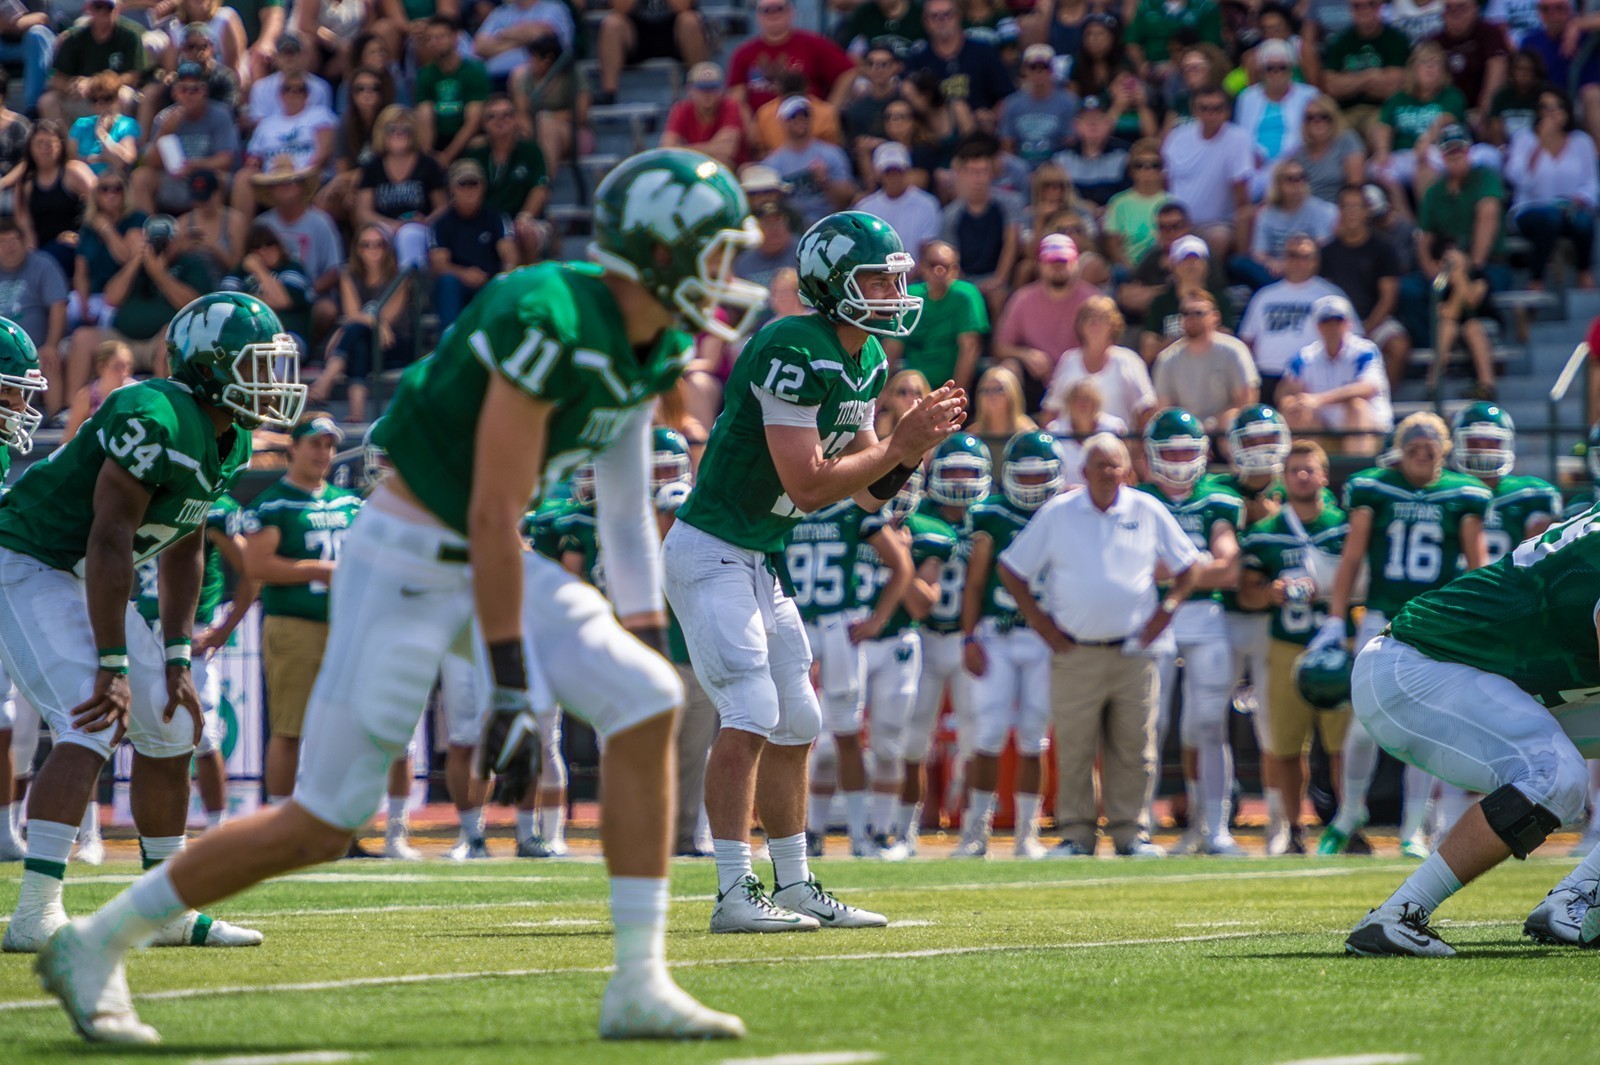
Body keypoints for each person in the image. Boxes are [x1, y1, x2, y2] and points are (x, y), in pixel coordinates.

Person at [37, 150, 766, 1044]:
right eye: (714, 251)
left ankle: (640, 983)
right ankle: (96, 939)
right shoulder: (545, 311)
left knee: (647, 696)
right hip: (407, 557)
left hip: (482, 554)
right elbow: (492, 508)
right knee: (320, 823)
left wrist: (646, 641)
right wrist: (509, 683)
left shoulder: (652, 344)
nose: (726, 273)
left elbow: (623, 508)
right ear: (658, 250)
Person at [663, 210, 961, 933]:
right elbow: (808, 484)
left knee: (799, 717)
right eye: (876, 280)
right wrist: (897, 444)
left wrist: (908, 451)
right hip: (712, 546)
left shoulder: (866, 358)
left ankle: (793, 883)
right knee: (751, 708)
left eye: (894, 280)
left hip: (759, 553)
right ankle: (733, 890)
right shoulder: (792, 344)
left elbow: (867, 489)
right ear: (833, 283)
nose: (893, 293)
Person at [0, 294, 298, 965]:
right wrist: (112, 663)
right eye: (255, 365)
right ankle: (35, 913)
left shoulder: (230, 437)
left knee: (172, 724)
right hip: (28, 557)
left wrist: (177, 655)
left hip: (79, 569)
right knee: (91, 716)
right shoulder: (152, 411)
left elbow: (185, 544)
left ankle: (165, 909)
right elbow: (110, 537)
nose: (271, 382)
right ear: (209, 367)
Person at [1337, 502, 1600, 954]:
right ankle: (1398, 915)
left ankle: (1575, 898)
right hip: (1415, 669)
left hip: (1478, 674)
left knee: (1559, 778)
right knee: (1556, 778)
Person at [1000, 432, 1198, 856]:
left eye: (1114, 465)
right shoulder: (1059, 512)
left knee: (1135, 749)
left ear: (1126, 470)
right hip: (1076, 650)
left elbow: (1189, 565)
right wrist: (1041, 623)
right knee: (1074, 748)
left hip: (1134, 652)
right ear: (1084, 471)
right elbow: (1012, 568)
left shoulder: (1146, 508)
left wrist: (1167, 610)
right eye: (1100, 465)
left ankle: (1131, 834)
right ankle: (1076, 835)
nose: (1108, 473)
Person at [1314, 411, 1490, 858]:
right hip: (1381, 617)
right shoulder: (1374, 487)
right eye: (1412, 448)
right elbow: (1352, 557)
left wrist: (1480, 625)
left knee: (1425, 727)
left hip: (1433, 621)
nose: (1421, 455)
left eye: (1429, 448)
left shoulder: (1464, 493)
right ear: (1399, 449)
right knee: (1362, 727)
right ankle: (1349, 812)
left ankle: (1413, 828)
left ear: (1444, 450)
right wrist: (1335, 617)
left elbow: (1479, 567)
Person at [1137, 408, 1247, 855]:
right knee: (1149, 723)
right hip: (1154, 619)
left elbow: (1230, 569)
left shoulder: (1217, 498)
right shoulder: (1140, 499)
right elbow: (1136, 568)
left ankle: (1213, 827)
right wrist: (1199, 566)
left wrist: (1173, 570)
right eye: (1172, 451)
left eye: (1188, 450)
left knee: (1207, 724)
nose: (1181, 460)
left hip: (1204, 618)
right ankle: (1139, 824)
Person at [1236, 438, 1351, 855]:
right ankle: (1293, 828)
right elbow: (1245, 592)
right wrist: (1270, 593)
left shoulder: (1345, 526)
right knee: (1286, 746)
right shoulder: (1265, 533)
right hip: (1286, 644)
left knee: (1344, 746)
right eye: (1294, 470)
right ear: (1283, 478)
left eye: (1310, 469)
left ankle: (1346, 824)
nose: (1302, 476)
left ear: (1324, 476)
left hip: (1337, 644)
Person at [952, 428, 1060, 858]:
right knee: (989, 733)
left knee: (1035, 738)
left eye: (1040, 476)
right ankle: (974, 832)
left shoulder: (1066, 512)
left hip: (1043, 638)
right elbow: (975, 584)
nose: (1032, 485)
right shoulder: (991, 514)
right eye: (1024, 475)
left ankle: (1026, 835)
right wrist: (969, 637)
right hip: (997, 634)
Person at [241, 414, 360, 803]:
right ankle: (280, 816)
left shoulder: (350, 503)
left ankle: (335, 818)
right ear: (293, 447)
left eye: (329, 445)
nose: (323, 452)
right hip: (295, 625)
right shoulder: (272, 502)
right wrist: (319, 570)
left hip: (346, 628)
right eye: (315, 444)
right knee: (290, 728)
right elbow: (257, 566)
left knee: (344, 730)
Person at [898, 432, 986, 854]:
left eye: (969, 471)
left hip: (971, 640)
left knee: (975, 740)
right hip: (926, 636)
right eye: (952, 472)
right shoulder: (918, 517)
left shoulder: (989, 517)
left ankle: (975, 830)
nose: (962, 480)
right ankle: (904, 831)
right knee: (913, 738)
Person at [1237, 235, 1353, 404]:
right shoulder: (1265, 295)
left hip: (1311, 376)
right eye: (1292, 255)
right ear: (1284, 258)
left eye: (1305, 256)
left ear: (1315, 261)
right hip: (1267, 374)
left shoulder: (1331, 295)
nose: (1298, 261)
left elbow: (1351, 335)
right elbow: (1247, 339)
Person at [310, 225, 408, 422]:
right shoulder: (348, 274)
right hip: (366, 341)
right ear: (357, 249)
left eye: (379, 244)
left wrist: (345, 330)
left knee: (356, 332)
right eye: (366, 245)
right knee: (359, 343)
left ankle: (324, 383)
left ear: (387, 248)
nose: (373, 249)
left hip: (393, 344)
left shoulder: (400, 276)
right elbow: (353, 314)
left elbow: (387, 318)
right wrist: (375, 324)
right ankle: (356, 413)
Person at [1502, 88, 1598, 289]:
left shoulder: (1582, 141)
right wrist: (1539, 146)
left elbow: (1591, 183)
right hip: (1529, 208)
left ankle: (1584, 271)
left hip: (1569, 207)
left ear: (1567, 111)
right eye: (1545, 107)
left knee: (1583, 221)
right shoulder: (1524, 139)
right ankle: (1536, 279)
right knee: (1549, 218)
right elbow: (1518, 179)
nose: (1550, 113)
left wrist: (1579, 200)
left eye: (1557, 107)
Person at [1321, 183, 1411, 391]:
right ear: (1339, 211)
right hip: (1337, 322)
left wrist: (1366, 328)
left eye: (1356, 207)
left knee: (1399, 346)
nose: (1351, 213)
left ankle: (1382, 400)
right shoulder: (1327, 252)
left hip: (1375, 320)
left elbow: (1388, 298)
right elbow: (1323, 296)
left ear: (1366, 211)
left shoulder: (1384, 249)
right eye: (1346, 207)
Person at [1277, 295, 1393, 450]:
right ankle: (1303, 462)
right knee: (1295, 409)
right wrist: (1294, 401)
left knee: (1356, 406)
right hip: (1324, 428)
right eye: (1326, 321)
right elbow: (1285, 392)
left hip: (1370, 429)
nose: (1332, 326)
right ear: (1318, 326)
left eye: (1338, 320)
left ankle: (1358, 463)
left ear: (1348, 323)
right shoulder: (1305, 357)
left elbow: (1367, 388)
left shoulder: (1365, 350)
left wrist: (1319, 399)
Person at [993, 234, 1093, 413]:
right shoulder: (1022, 299)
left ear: (1076, 263)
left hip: (1080, 381)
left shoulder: (1093, 300)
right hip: (1036, 380)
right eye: (1051, 262)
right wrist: (1026, 354)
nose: (1057, 267)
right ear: (1040, 264)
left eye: (1063, 261)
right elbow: (1000, 347)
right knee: (1008, 368)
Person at [132, 62, 239, 217]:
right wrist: (165, 131)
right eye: (183, 89)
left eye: (195, 90)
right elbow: (151, 163)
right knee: (140, 177)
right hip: (174, 179)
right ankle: (152, 227)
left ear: (204, 92)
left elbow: (226, 160)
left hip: (207, 175)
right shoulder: (164, 118)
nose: (189, 95)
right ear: (175, 93)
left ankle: (215, 226)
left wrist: (194, 165)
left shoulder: (220, 114)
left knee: (219, 178)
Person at [882, 239, 985, 397]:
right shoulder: (911, 297)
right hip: (913, 389)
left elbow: (970, 347)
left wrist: (957, 393)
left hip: (949, 387)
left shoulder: (965, 296)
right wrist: (881, 393)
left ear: (956, 270)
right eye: (932, 264)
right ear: (922, 266)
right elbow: (892, 346)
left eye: (945, 266)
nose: (938, 270)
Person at [1161, 87, 1256, 257]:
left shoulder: (1238, 138)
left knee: (1219, 237)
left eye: (1217, 108)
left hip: (1216, 223)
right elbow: (1165, 181)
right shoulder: (1177, 137)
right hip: (1176, 223)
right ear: (1194, 110)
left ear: (1227, 111)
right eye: (1204, 108)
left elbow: (1242, 192)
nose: (1210, 114)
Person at [1041, 294, 1154, 430]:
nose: (1094, 322)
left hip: (1115, 440)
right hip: (1070, 442)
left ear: (1114, 324)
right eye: (1088, 317)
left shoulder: (1129, 361)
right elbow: (1052, 410)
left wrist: (1134, 443)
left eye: (1102, 318)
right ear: (1080, 324)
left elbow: (1146, 410)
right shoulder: (1068, 360)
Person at [1152, 292, 1259, 435]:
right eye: (1185, 313)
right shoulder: (1167, 358)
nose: (1191, 318)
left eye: (1198, 313)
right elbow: (1164, 409)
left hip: (1223, 430)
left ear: (1215, 317)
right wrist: (1191, 428)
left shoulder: (1234, 350)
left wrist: (1214, 423)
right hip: (1185, 431)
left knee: (1231, 419)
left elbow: (1246, 401)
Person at [727, 0, 856, 114]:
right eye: (766, 10)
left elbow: (848, 72)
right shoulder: (743, 53)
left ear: (791, 12)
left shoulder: (813, 44)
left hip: (807, 124)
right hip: (761, 126)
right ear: (758, 16)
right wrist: (751, 127)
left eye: (779, 8)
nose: (773, 14)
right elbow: (736, 98)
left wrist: (831, 111)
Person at [357, 105, 447, 271]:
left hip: (420, 229)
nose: (399, 134)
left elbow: (442, 207)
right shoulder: (373, 167)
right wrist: (393, 225)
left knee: (409, 235)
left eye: (405, 130)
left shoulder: (428, 165)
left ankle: (412, 284)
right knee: (375, 239)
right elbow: (363, 212)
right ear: (382, 133)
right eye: (392, 129)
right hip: (385, 226)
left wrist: (426, 221)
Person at [939, 133, 1019, 319]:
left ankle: (1000, 338)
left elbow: (1011, 241)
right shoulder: (951, 214)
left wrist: (999, 279)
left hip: (996, 277)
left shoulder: (1008, 204)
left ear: (991, 174)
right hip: (964, 278)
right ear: (962, 174)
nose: (979, 178)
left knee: (998, 297)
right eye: (973, 172)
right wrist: (964, 284)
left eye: (983, 171)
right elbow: (949, 255)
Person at [465, 94, 550, 266]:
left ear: (516, 119)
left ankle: (527, 276)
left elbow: (540, 189)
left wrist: (525, 216)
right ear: (484, 124)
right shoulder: (476, 153)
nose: (499, 121)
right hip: (487, 220)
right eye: (492, 116)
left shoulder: (530, 150)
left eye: (506, 115)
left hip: (522, 218)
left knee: (526, 231)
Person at [429, 159, 517, 324]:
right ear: (452, 189)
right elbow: (439, 264)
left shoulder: (497, 218)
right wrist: (464, 274)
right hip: (459, 284)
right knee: (447, 282)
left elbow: (509, 255)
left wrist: (502, 276)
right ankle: (450, 336)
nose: (469, 190)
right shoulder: (441, 224)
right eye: (462, 184)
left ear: (483, 187)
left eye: (474, 184)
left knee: (508, 282)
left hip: (490, 282)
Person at [39, 0, 149, 129]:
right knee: (47, 101)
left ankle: (118, 139)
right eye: (98, 7)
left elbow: (134, 76)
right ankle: (70, 140)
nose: (103, 12)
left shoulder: (130, 36)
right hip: (83, 98)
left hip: (113, 96)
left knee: (125, 95)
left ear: (118, 9)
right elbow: (56, 79)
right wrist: (73, 85)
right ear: (88, 9)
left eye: (108, 8)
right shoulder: (74, 38)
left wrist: (95, 84)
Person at [903, 0, 1014, 126]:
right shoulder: (918, 59)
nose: (941, 21)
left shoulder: (984, 52)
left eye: (947, 14)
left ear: (958, 16)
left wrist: (992, 115)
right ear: (925, 22)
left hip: (981, 129)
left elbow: (1008, 96)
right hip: (937, 130)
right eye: (934, 16)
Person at [0, 218, 67, 415]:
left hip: (35, 349)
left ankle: (55, 418)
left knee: (50, 358)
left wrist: (51, 344)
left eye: (13, 240)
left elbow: (58, 306)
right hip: (3, 352)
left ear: (24, 242)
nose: (9, 247)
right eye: (3, 242)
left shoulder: (42, 264)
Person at [760, 96, 855, 229]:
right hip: (791, 228)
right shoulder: (772, 164)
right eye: (793, 117)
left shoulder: (832, 153)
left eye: (805, 115)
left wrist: (825, 180)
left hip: (829, 225)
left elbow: (846, 200)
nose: (800, 120)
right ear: (782, 122)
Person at [1320, 0, 1411, 127]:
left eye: (1371, 4)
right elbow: (1331, 87)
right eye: (1357, 6)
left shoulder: (1396, 39)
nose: (1365, 10)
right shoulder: (1339, 41)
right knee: (1333, 132)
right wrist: (1371, 76)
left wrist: (1349, 81)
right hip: (1345, 111)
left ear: (1381, 6)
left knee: (1379, 129)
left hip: (1382, 110)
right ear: (1350, 9)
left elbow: (1394, 88)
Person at [415, 15, 491, 168]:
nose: (434, 42)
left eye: (440, 37)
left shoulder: (475, 71)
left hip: (466, 137)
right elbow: (424, 115)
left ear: (456, 37)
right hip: (437, 135)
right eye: (430, 38)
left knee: (478, 143)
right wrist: (429, 156)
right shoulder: (425, 74)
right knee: (422, 113)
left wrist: (446, 157)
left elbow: (473, 122)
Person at [854, 142, 940, 256]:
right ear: (878, 174)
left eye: (898, 171)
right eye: (888, 172)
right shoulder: (864, 209)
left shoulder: (927, 204)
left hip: (915, 267)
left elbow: (927, 250)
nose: (893, 177)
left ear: (907, 171)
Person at [999, 43, 1077, 166]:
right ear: (1024, 70)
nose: (1038, 72)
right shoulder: (1012, 103)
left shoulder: (1069, 102)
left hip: (1057, 166)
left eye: (1044, 67)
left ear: (1052, 70)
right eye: (1033, 67)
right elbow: (1007, 144)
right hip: (1022, 167)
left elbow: (1070, 143)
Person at [662, 61, 743, 169]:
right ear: (689, 89)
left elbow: (726, 149)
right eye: (701, 88)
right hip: (692, 166)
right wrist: (712, 147)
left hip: (729, 169)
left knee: (723, 161)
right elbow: (667, 149)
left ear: (721, 89)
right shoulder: (681, 109)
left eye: (713, 87)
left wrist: (682, 149)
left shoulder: (730, 105)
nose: (707, 94)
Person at [61, 339, 134, 444]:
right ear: (101, 368)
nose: (124, 373)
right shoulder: (86, 397)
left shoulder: (137, 392)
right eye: (117, 367)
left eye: (128, 366)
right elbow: (69, 439)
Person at [66, 71, 139, 177]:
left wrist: (102, 135)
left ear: (116, 99)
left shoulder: (127, 125)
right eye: (94, 100)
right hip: (85, 181)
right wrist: (98, 158)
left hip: (115, 181)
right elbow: (73, 161)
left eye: (106, 98)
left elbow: (125, 161)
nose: (100, 105)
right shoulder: (81, 124)